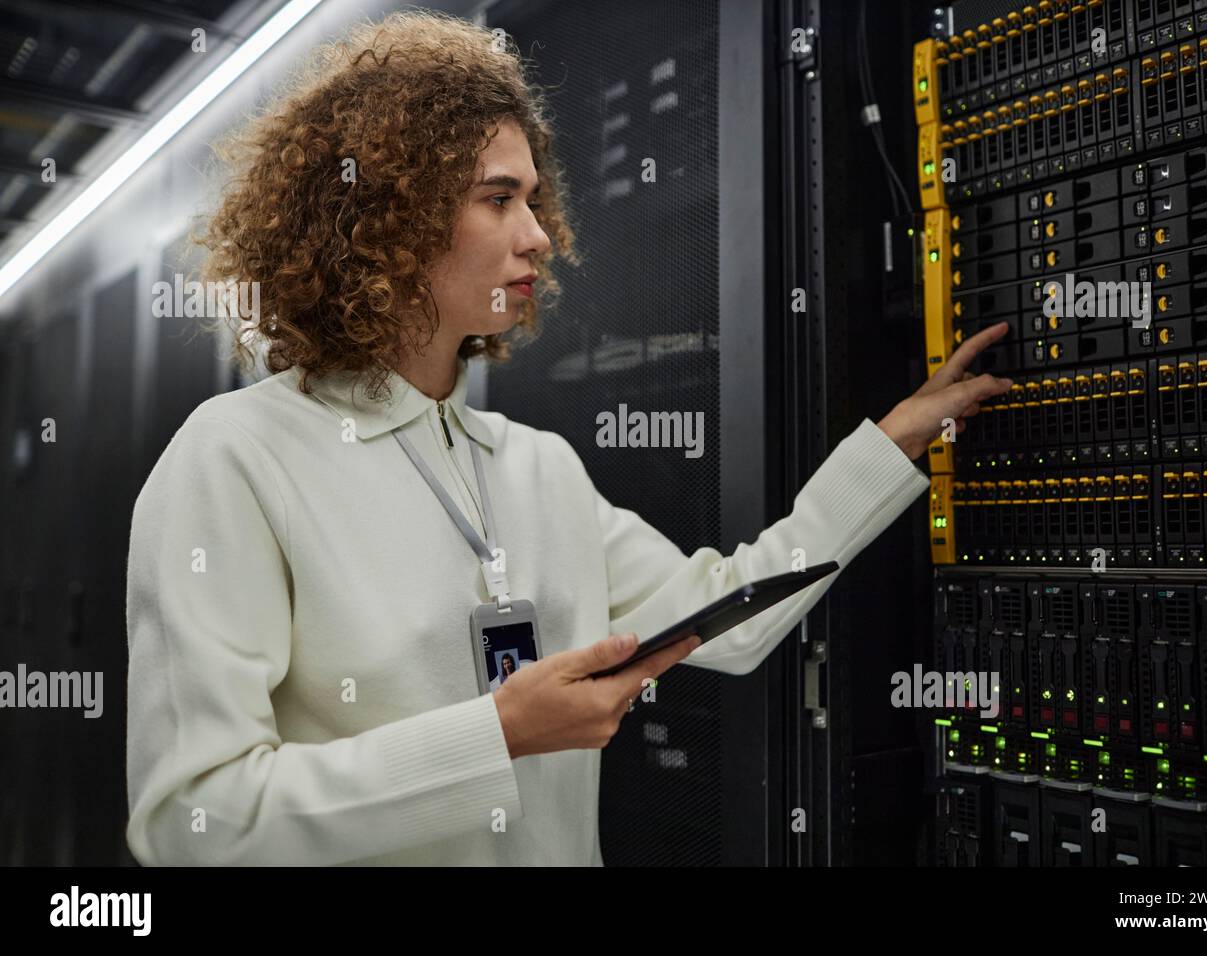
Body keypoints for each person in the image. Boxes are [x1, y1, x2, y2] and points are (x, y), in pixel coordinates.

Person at [123, 10, 1013, 867]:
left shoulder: (535, 466)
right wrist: (498, 736)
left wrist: (891, 444)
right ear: (388, 219)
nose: (540, 236)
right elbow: (193, 819)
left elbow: (729, 620)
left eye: (535, 200)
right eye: (499, 199)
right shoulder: (237, 455)